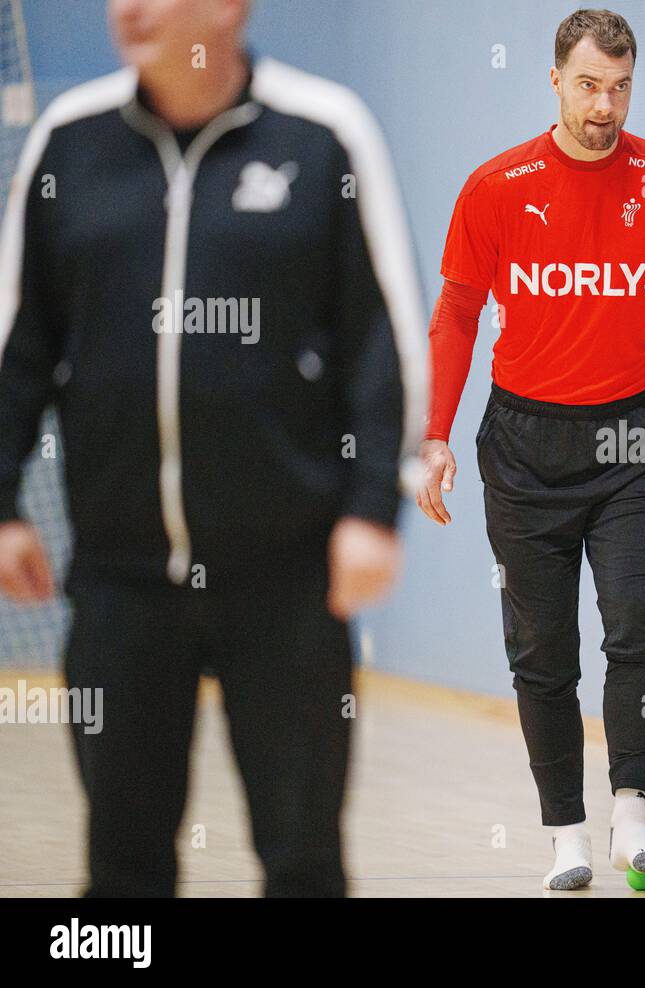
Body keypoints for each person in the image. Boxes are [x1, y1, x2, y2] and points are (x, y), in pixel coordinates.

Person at [0, 0, 424, 896]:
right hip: (118, 582)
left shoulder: (323, 135)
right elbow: (22, 344)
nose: (129, 9)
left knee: (303, 861)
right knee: (122, 867)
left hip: (290, 581)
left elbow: (382, 338)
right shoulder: (68, 147)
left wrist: (374, 508)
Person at [416, 8, 645, 891]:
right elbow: (457, 313)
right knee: (541, 650)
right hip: (521, 442)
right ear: (555, 79)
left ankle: (632, 810)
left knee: (634, 621)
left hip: (631, 434)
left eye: (621, 87)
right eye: (590, 85)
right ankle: (566, 834)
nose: (606, 105)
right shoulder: (497, 185)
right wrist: (435, 437)